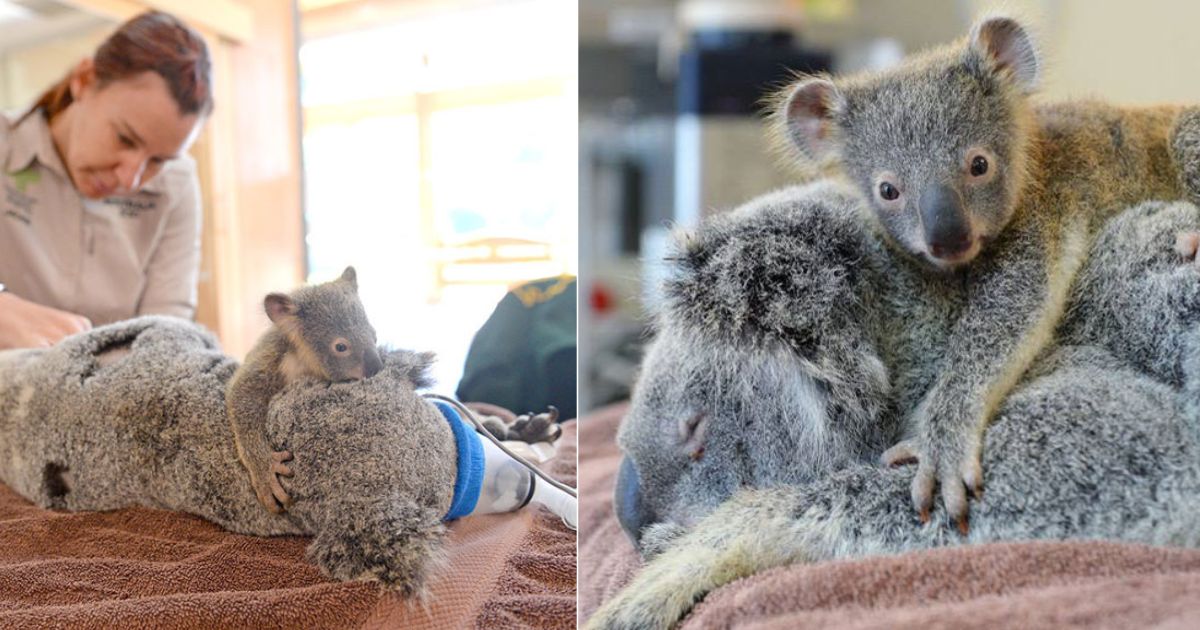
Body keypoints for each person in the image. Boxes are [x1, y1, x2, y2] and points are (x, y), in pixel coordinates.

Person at [0, 10, 212, 349]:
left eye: (158, 160)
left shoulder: (177, 184)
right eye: (125, 139)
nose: (131, 179)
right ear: (84, 80)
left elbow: (165, 333)